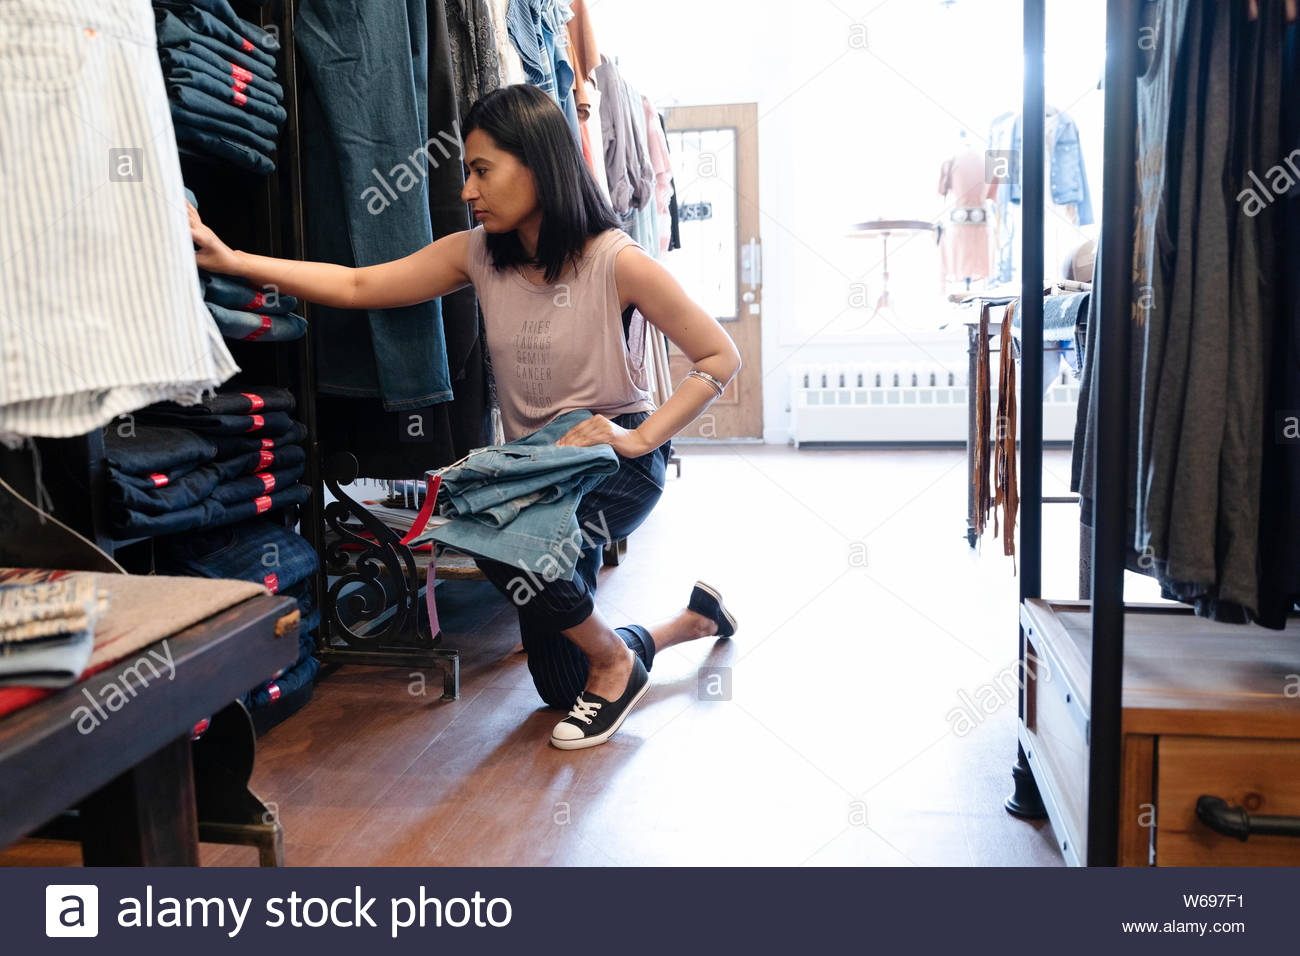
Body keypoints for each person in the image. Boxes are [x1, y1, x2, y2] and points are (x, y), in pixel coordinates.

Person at [187, 83, 742, 749]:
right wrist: (232, 260)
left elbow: (719, 354)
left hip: (613, 467)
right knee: (559, 688)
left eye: (482, 170)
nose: (469, 190)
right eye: (467, 173)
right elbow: (360, 285)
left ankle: (615, 661)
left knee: (494, 534)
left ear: (537, 163)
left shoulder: (617, 261)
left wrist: (642, 437)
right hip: (532, 474)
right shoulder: (478, 253)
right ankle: (689, 623)